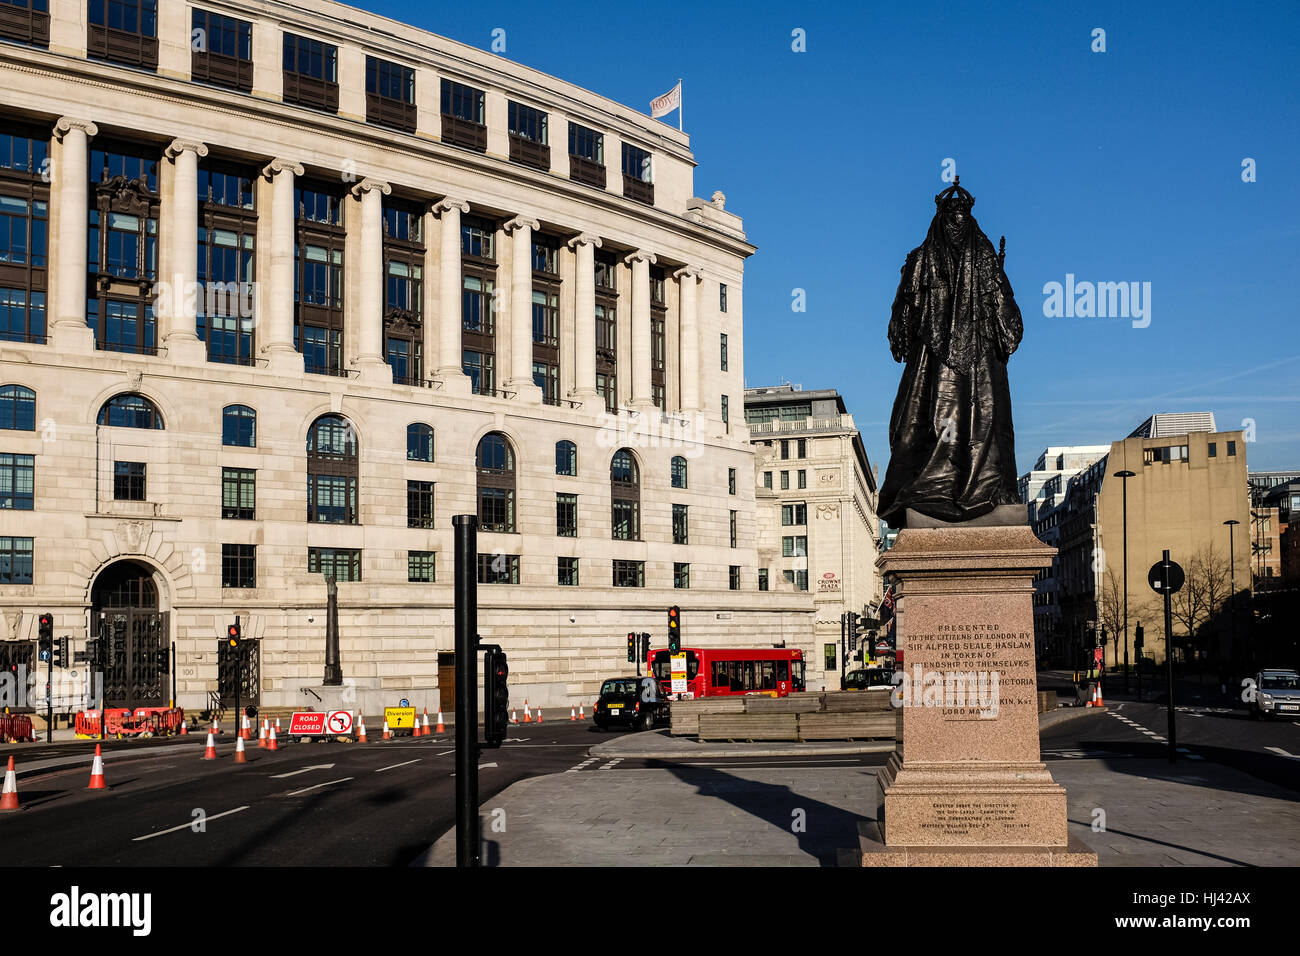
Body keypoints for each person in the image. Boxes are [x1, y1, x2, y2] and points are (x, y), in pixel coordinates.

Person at [878, 178, 1024, 526]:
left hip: (939, 363)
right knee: (977, 422)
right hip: (971, 362)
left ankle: (951, 485)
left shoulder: (925, 260)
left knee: (938, 422)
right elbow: (1009, 323)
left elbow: (901, 325)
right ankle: (975, 485)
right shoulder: (982, 259)